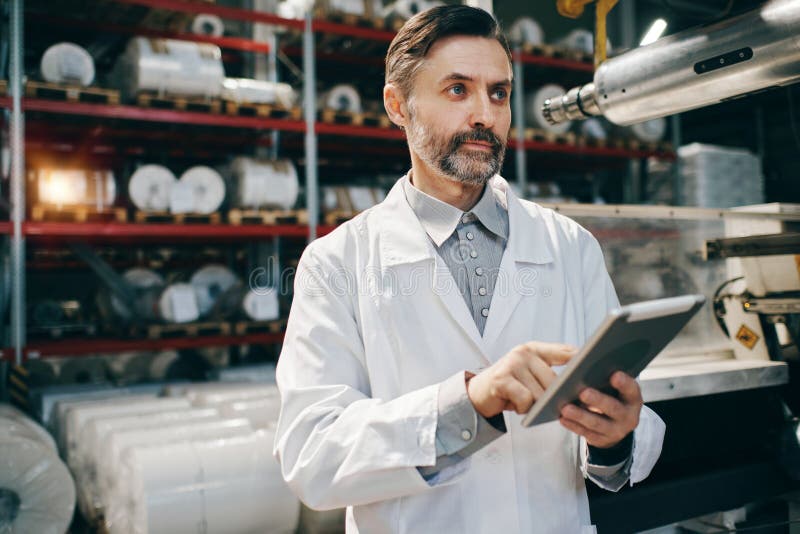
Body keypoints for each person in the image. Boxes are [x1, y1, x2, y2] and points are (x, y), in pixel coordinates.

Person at [274, 5, 665, 533]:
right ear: (398, 105)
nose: (484, 113)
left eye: (498, 93)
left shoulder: (569, 246)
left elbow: (625, 415)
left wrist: (617, 435)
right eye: (457, 90)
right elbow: (312, 454)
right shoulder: (336, 263)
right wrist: (467, 406)